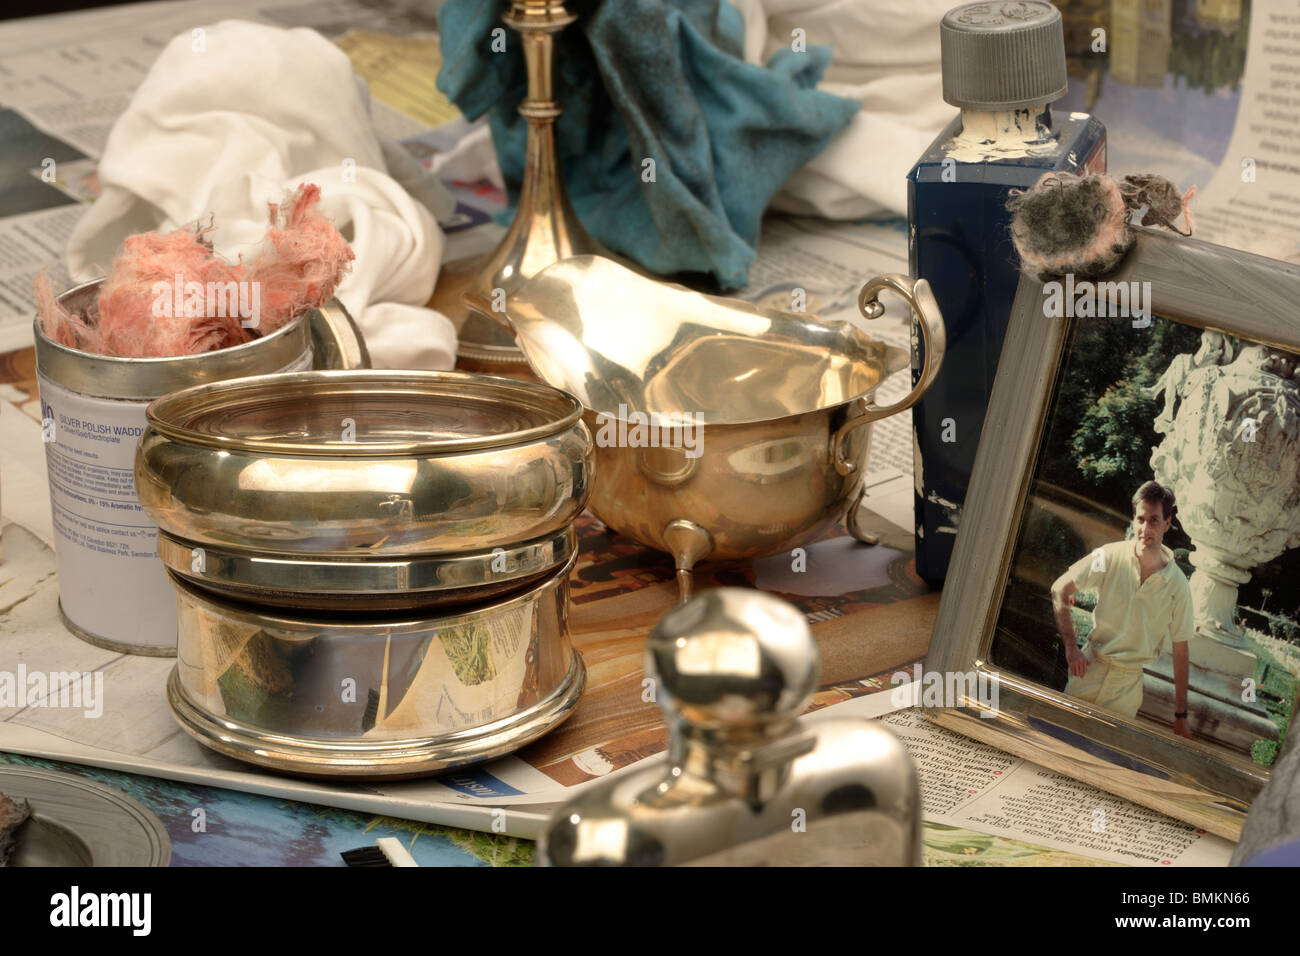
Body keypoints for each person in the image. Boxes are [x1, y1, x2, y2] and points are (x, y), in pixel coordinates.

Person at [1050, 480, 1194, 738]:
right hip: (1088, 671)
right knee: (1058, 745)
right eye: (1140, 519)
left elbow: (1181, 650)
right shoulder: (1109, 557)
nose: (1145, 528)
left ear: (1167, 523)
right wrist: (1071, 649)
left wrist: (1181, 716)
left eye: (1154, 520)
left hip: (1126, 691)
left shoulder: (1178, 586)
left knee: (1102, 760)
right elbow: (1060, 589)